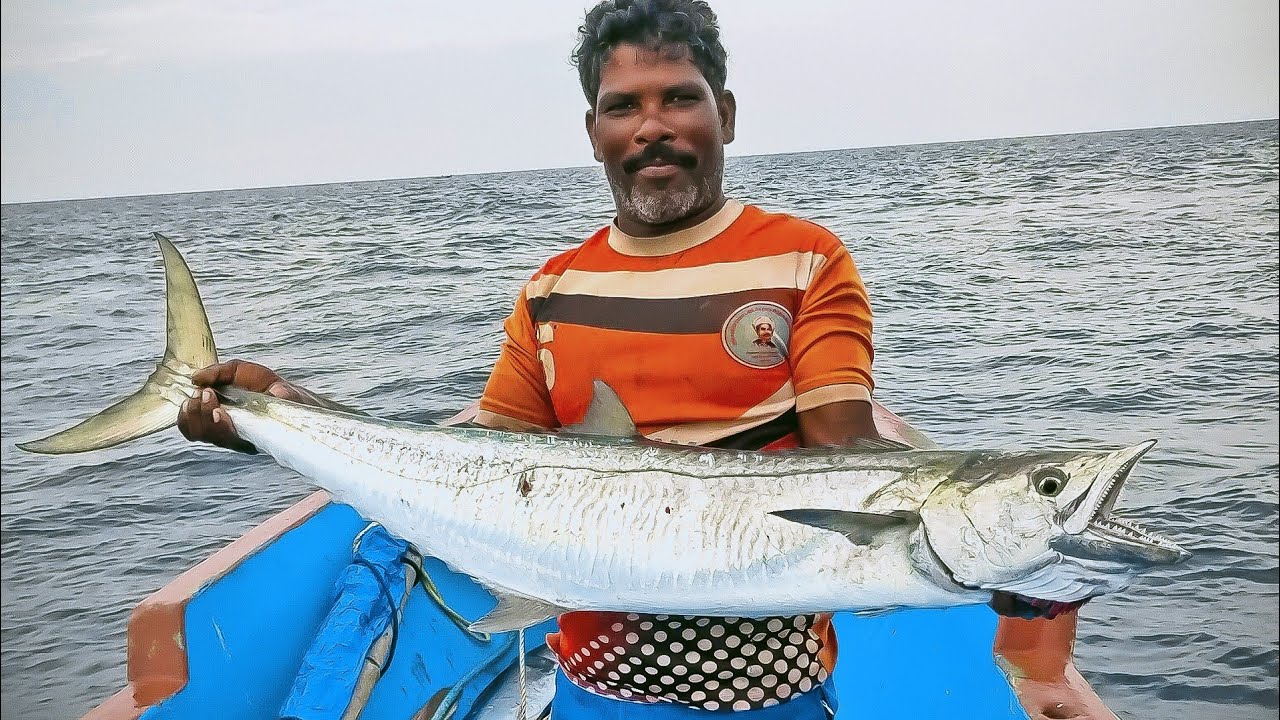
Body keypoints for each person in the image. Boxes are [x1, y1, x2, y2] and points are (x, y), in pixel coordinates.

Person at [176, 1, 1083, 717]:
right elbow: (478, 464)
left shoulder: (807, 259)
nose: (652, 126)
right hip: (593, 687)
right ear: (594, 129)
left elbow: (848, 448)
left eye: (679, 97)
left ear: (725, 114)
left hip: (772, 690)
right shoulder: (551, 291)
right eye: (624, 106)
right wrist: (282, 409)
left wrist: (991, 554)